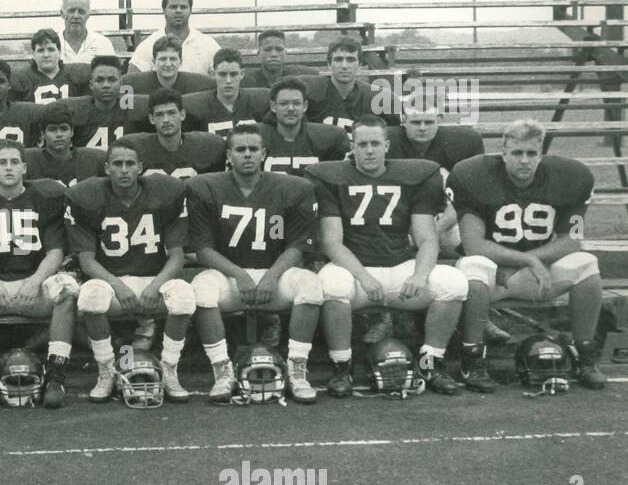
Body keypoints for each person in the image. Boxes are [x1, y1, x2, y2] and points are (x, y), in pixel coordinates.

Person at [305, 115, 467, 397]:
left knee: (454, 283)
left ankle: (431, 363)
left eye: (375, 143)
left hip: (400, 266)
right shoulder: (332, 178)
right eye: (362, 144)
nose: (369, 150)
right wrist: (364, 277)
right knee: (331, 285)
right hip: (355, 271)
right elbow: (332, 243)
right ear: (352, 147)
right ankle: (341, 367)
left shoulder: (414, 176)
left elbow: (427, 237)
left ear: (387, 145)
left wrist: (419, 273)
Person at [448, 119, 606, 392]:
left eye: (531, 153)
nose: (524, 160)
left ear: (541, 154)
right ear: (503, 152)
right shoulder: (474, 175)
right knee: (473, 267)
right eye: (517, 153)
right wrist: (527, 260)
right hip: (494, 275)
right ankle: (473, 359)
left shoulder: (573, 178)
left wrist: (532, 260)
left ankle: (585, 355)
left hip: (536, 273)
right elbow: (473, 244)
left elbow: (574, 240)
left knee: (586, 265)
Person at [188, 123, 322, 404]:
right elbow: (202, 249)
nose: (247, 155)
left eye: (253, 149)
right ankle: (222, 371)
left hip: (276, 272)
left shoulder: (293, 188)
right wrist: (238, 274)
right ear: (229, 155)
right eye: (240, 149)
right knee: (200, 290)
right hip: (228, 274)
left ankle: (297, 369)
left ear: (264, 153)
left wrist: (272, 276)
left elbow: (299, 245)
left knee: (310, 285)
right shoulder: (206, 187)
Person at [0, 141, 78, 409]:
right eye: (3, 162)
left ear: (24, 167)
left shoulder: (44, 198)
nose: (9, 168)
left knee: (67, 289)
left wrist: (34, 282)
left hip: (33, 286)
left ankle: (56, 374)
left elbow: (54, 252)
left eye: (14, 162)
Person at [69, 141, 195, 402]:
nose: (124, 170)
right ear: (106, 168)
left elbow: (177, 256)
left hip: (154, 279)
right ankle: (106, 369)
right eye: (117, 164)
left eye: (130, 164)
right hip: (110, 281)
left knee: (184, 296)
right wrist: (118, 285)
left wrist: (154, 286)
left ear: (140, 167)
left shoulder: (164, 195)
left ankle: (170, 368)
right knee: (90, 296)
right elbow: (87, 260)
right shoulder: (89, 197)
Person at [387, 97, 484, 254]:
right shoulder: (387, 141)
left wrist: (438, 227)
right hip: (401, 217)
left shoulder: (464, 141)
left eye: (429, 122)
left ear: (439, 119)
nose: (423, 128)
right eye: (416, 122)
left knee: (464, 235)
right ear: (404, 120)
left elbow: (469, 195)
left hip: (447, 216)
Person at [121, 90, 226, 182]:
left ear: (182, 115)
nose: (166, 119)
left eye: (171, 113)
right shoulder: (136, 147)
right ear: (151, 119)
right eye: (159, 114)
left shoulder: (206, 145)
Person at [258, 78, 350, 176]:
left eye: (296, 103)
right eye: (284, 103)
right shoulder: (258, 137)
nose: (290, 109)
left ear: (305, 106)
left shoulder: (326, 138)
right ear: (273, 106)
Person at [304, 36, 393, 132]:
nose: (344, 66)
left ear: (359, 65)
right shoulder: (311, 91)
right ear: (329, 64)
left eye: (351, 60)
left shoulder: (376, 97)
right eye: (338, 59)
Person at [127, 0, 221, 75]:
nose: (178, 10)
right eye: (173, 7)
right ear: (164, 10)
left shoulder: (209, 46)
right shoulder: (147, 46)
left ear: (190, 10)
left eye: (183, 7)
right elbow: (129, 84)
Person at [64, 55, 147, 151]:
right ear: (91, 84)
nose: (106, 85)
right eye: (100, 80)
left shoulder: (136, 109)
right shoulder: (76, 111)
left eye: (112, 80)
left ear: (121, 84)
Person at [182, 48, 270, 136]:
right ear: (213, 74)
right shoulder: (198, 108)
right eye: (222, 74)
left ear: (242, 74)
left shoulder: (258, 103)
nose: (228, 81)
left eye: (233, 74)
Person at [23, 101, 106, 187]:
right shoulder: (30, 160)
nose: (59, 134)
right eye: (52, 129)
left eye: (64, 129)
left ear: (72, 131)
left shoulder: (92, 159)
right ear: (43, 134)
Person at [122, 35, 216, 97]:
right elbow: (125, 112)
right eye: (163, 59)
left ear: (180, 62)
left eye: (173, 59)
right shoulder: (130, 83)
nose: (168, 64)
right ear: (154, 61)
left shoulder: (198, 83)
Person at [16, 28, 90, 104]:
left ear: (59, 52)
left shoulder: (75, 75)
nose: (46, 55)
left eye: (51, 49)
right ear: (34, 55)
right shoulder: (23, 79)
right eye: (40, 50)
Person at [240, 29, 318, 89]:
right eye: (268, 49)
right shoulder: (246, 80)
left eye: (279, 49)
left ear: (285, 53)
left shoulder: (301, 75)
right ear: (259, 53)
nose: (273, 54)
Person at [58, 0, 118, 64]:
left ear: (88, 15)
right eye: (71, 11)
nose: (76, 16)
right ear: (62, 13)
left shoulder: (102, 43)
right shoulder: (52, 44)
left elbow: (110, 71)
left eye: (81, 11)